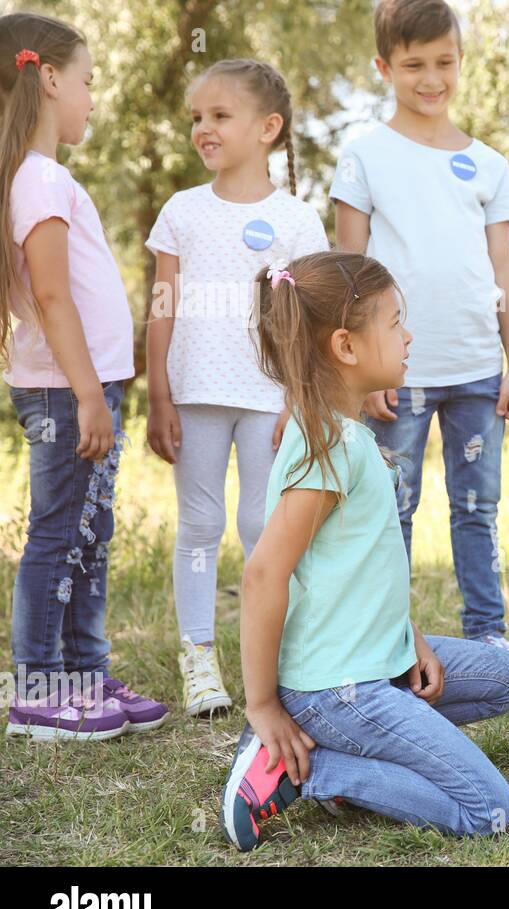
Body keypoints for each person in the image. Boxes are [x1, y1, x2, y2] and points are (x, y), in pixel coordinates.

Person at [219, 251, 509, 851]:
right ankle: (308, 771)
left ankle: (332, 743)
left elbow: (359, 567)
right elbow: (263, 574)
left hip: (374, 657)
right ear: (347, 346)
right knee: (486, 806)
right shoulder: (329, 445)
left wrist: (409, 635)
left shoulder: (348, 433)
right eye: (395, 322)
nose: (409, 335)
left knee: (503, 676)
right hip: (339, 686)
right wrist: (262, 704)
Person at [331, 0, 509, 657]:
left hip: (477, 369)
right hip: (397, 372)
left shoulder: (489, 164)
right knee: (392, 511)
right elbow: (348, 271)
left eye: (444, 62)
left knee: (477, 512)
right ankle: (388, 636)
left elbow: (504, 265)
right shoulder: (364, 157)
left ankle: (487, 636)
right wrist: (358, 370)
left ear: (462, 62)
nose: (431, 77)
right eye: (414, 64)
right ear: (385, 67)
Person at [145, 58, 329, 718]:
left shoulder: (298, 221)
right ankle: (199, 658)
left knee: (261, 524)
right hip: (192, 393)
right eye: (197, 117)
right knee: (199, 523)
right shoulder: (182, 212)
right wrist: (158, 395)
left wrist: (297, 398)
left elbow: (304, 320)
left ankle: (268, 659)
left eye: (220, 115)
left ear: (267, 128)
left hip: (269, 398)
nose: (203, 128)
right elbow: (161, 303)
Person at [1, 12, 166, 740]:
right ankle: (38, 688)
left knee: (88, 534)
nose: (94, 98)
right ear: (48, 76)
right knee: (59, 534)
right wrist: (90, 393)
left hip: (83, 390)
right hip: (69, 393)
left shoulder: (45, 176)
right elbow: (53, 296)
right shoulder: (36, 180)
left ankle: (84, 674)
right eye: (90, 82)